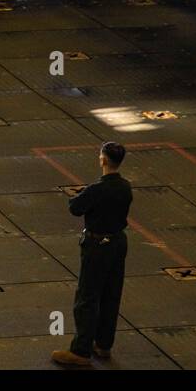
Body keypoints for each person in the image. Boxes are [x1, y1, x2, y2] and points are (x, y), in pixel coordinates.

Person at [52, 142, 133, 367]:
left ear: (104, 160)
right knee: (111, 293)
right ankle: (103, 344)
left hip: (98, 245)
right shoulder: (125, 186)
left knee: (87, 297)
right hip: (118, 241)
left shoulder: (98, 188)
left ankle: (81, 350)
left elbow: (75, 207)